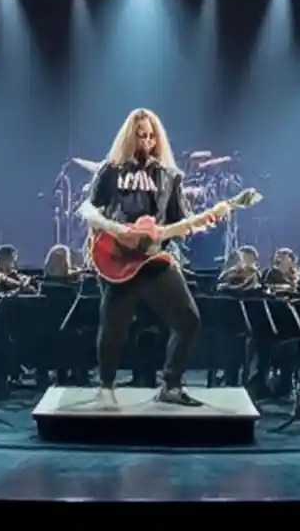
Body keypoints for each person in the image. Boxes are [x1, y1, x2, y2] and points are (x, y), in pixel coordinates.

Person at [78, 108, 228, 407]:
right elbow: (87, 209)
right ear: (129, 136)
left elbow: (179, 222)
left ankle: (171, 385)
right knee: (113, 326)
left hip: (155, 259)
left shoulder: (170, 176)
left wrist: (203, 222)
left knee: (188, 319)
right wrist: (115, 230)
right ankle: (106, 386)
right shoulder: (110, 170)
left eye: (150, 135)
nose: (145, 141)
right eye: (140, 135)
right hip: (117, 258)